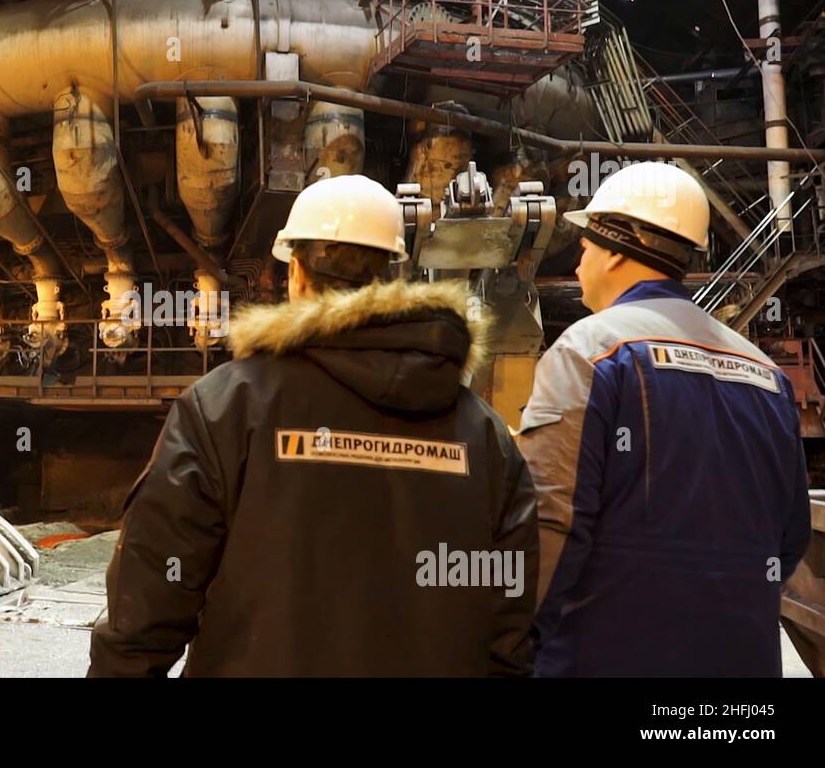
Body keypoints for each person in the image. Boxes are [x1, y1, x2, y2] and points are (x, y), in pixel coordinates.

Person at [88, 174, 537, 677]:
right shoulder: (485, 436)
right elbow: (510, 629)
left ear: (294, 273)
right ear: (394, 276)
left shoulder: (224, 407)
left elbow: (146, 608)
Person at [516, 161, 812, 676]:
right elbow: (789, 539)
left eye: (584, 248)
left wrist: (507, 640)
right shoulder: (768, 376)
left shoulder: (589, 352)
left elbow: (550, 526)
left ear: (613, 251)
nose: (579, 263)